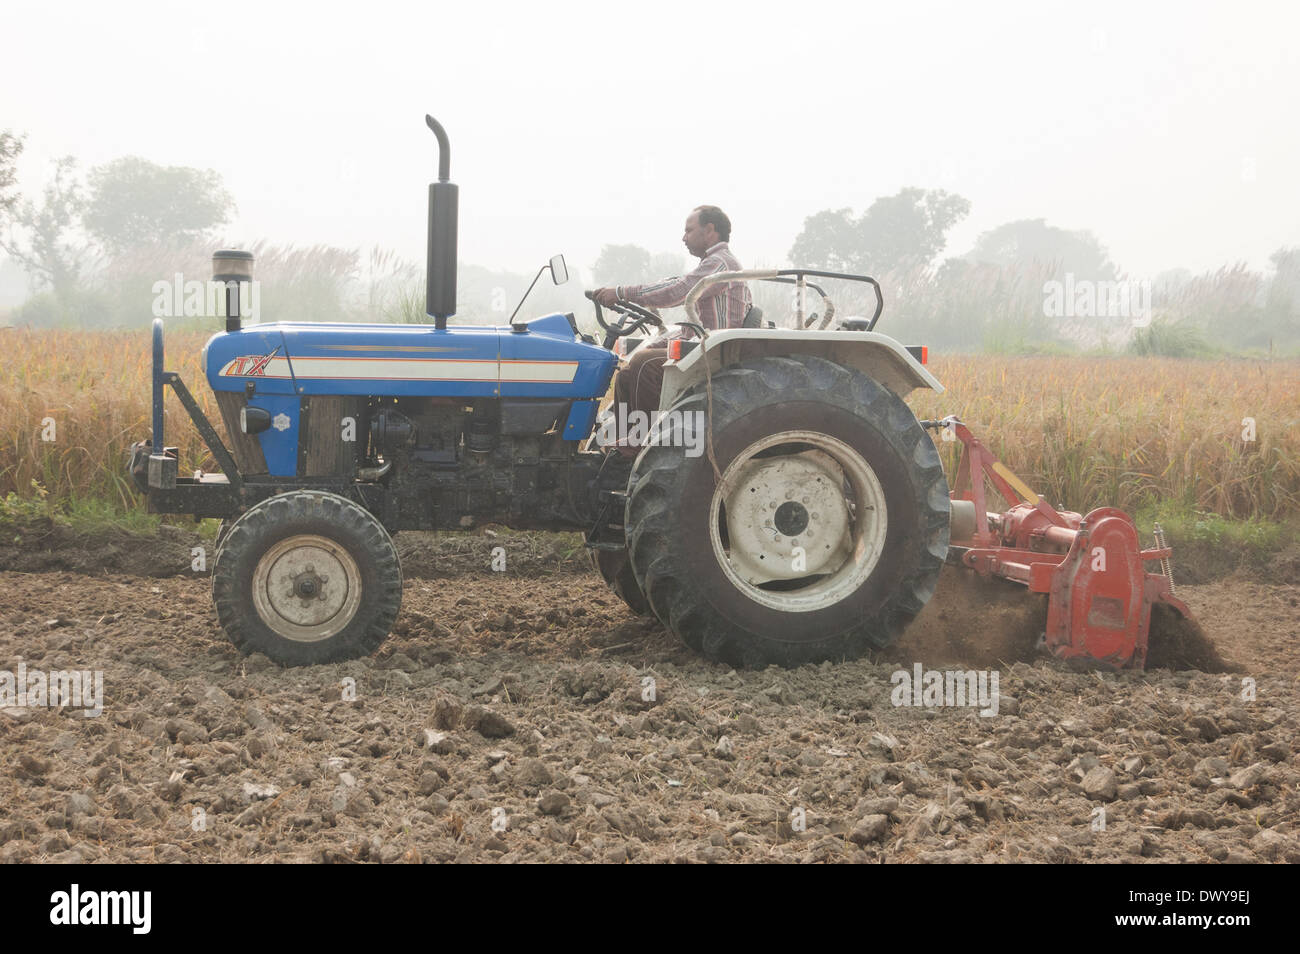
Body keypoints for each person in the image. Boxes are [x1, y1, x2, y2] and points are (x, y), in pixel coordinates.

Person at [593, 205, 751, 456]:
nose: (684, 237)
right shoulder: (710, 264)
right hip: (701, 342)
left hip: (714, 350)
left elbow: (679, 291)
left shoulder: (721, 263)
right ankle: (621, 445)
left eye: (689, 230)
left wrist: (623, 293)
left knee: (644, 364)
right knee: (626, 372)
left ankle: (644, 444)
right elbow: (674, 284)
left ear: (710, 230)